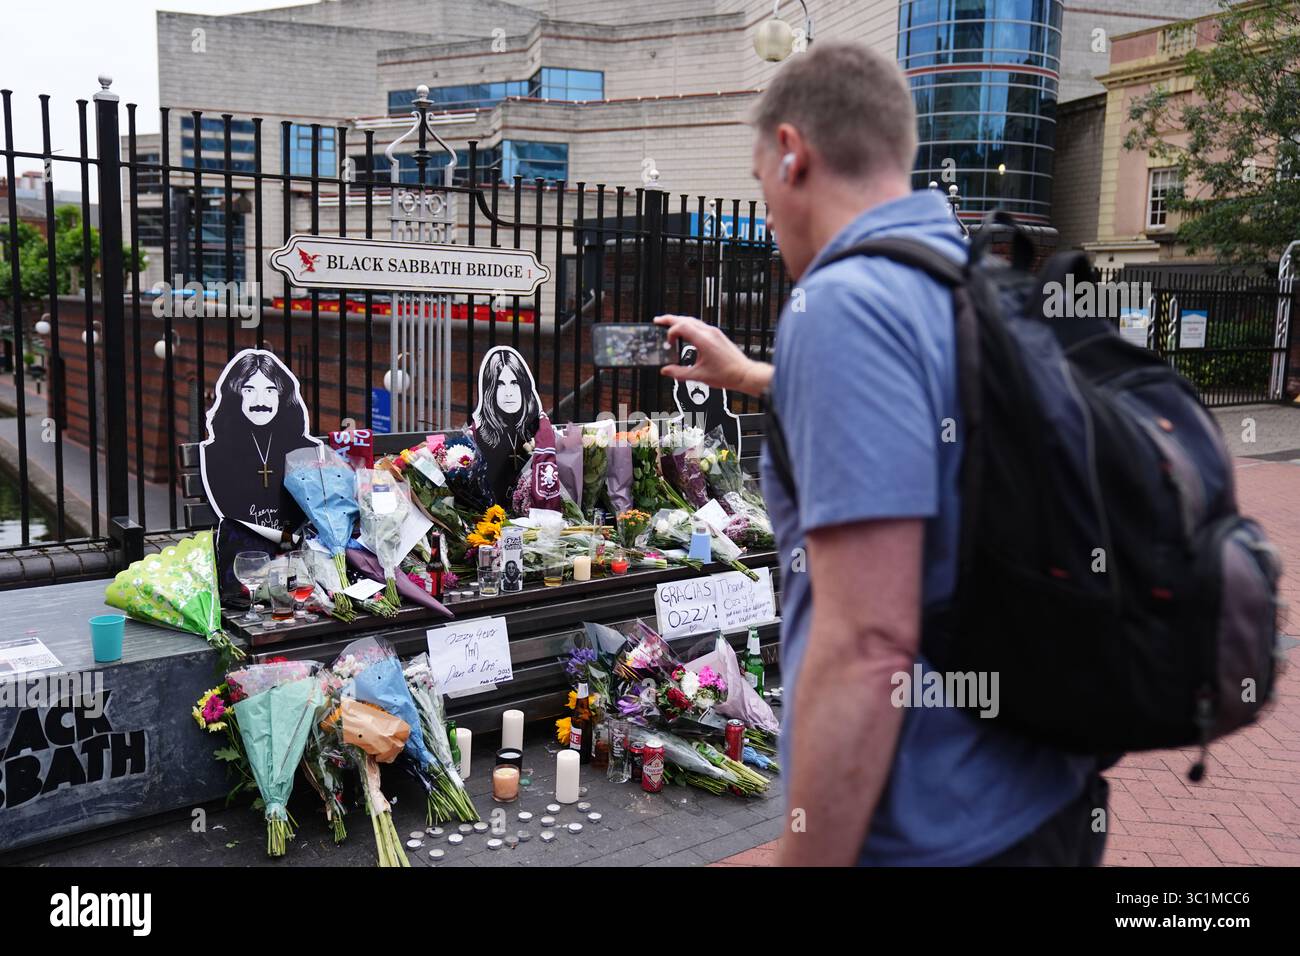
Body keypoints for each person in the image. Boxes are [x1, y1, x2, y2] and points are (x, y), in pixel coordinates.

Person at [656, 41, 1103, 866]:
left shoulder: (842, 304)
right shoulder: (963, 277)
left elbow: (865, 643)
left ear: (792, 155)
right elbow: (918, 415)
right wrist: (752, 374)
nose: (765, 216)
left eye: (760, 186)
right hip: (1040, 794)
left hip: (936, 827)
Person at [472, 345, 542, 507]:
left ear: (523, 386)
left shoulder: (536, 429)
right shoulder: (480, 436)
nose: (508, 392)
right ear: (490, 389)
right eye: (500, 384)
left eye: (514, 383)